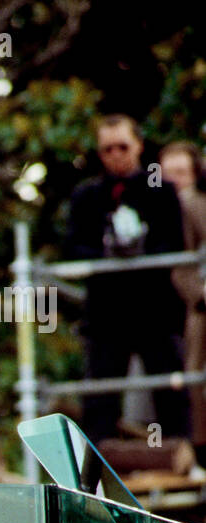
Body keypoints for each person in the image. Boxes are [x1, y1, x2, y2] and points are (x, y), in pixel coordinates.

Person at [63, 114, 187, 444]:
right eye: (107, 149)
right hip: (107, 310)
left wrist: (140, 254)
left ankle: (180, 455)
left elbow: (173, 241)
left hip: (154, 307)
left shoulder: (160, 189)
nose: (116, 155)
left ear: (138, 146)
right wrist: (106, 254)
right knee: (101, 394)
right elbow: (74, 246)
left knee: (169, 388)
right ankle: (97, 466)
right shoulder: (86, 196)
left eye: (123, 147)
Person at [161, 141, 206, 463]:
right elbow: (181, 264)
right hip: (188, 307)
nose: (175, 181)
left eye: (182, 173)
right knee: (192, 377)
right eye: (168, 174)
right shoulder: (164, 205)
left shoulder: (195, 203)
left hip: (193, 304)